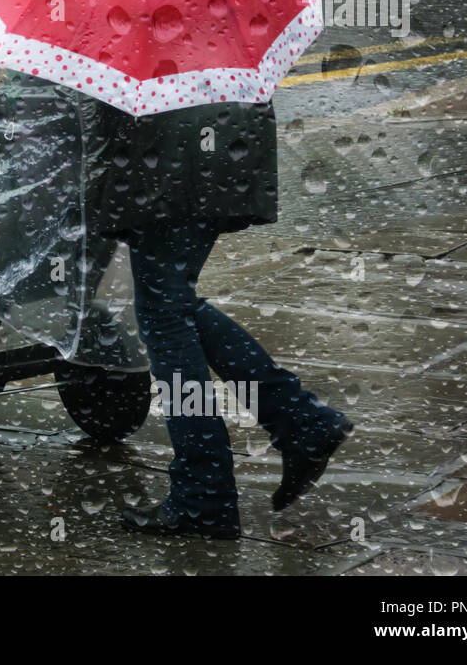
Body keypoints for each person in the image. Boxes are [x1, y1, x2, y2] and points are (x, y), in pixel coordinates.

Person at [93, 98, 353, 539]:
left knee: (165, 315)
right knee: (171, 304)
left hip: (169, 154)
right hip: (223, 139)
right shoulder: (215, 30)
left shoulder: (145, 29)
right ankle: (299, 421)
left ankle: (204, 493)